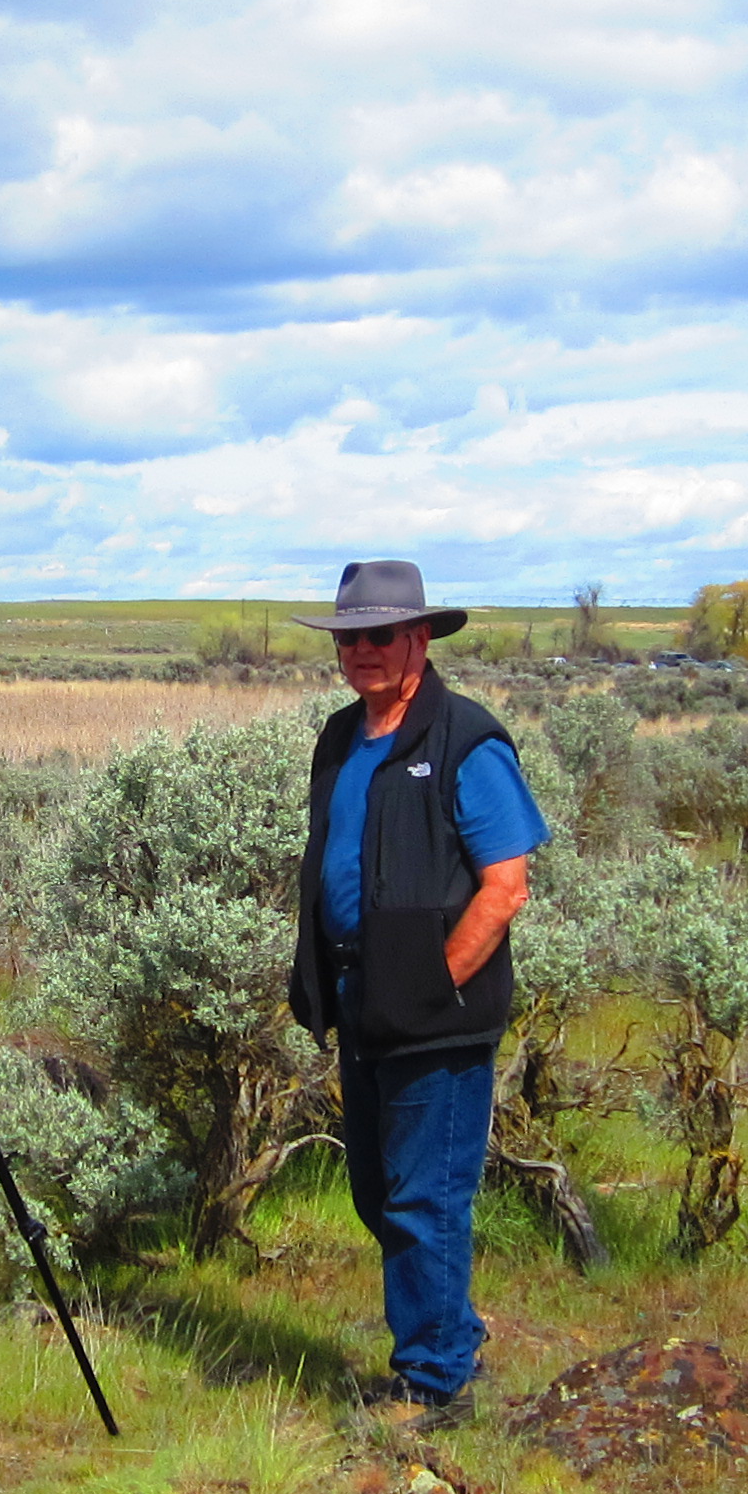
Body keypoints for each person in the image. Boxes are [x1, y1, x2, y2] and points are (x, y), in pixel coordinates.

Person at [283, 560, 549, 1424]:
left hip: (437, 1015)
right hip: (361, 998)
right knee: (377, 1191)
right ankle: (451, 1331)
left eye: (380, 636)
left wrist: (436, 985)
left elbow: (506, 886)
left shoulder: (466, 740)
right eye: (349, 637)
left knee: (425, 1195)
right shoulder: (339, 737)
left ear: (420, 638)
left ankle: (433, 1385)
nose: (362, 651)